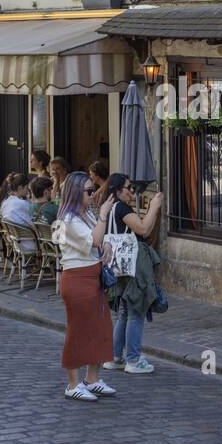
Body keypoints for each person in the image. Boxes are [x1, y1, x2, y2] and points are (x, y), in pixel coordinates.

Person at [53, 171, 117, 402]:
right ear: (75, 192)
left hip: (94, 275)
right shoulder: (68, 219)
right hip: (77, 278)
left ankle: (92, 379)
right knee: (78, 330)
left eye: (93, 190)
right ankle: (72, 384)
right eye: (89, 191)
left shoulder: (85, 214)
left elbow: (101, 239)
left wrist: (107, 244)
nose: (93, 194)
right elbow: (94, 240)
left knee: (100, 327)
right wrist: (103, 217)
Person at [97, 174, 164, 375]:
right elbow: (143, 229)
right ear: (117, 190)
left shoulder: (109, 208)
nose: (132, 191)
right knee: (136, 311)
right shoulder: (121, 208)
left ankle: (115, 357)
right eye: (129, 188)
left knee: (124, 312)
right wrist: (154, 206)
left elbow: (144, 230)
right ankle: (133, 359)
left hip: (118, 265)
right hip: (131, 264)